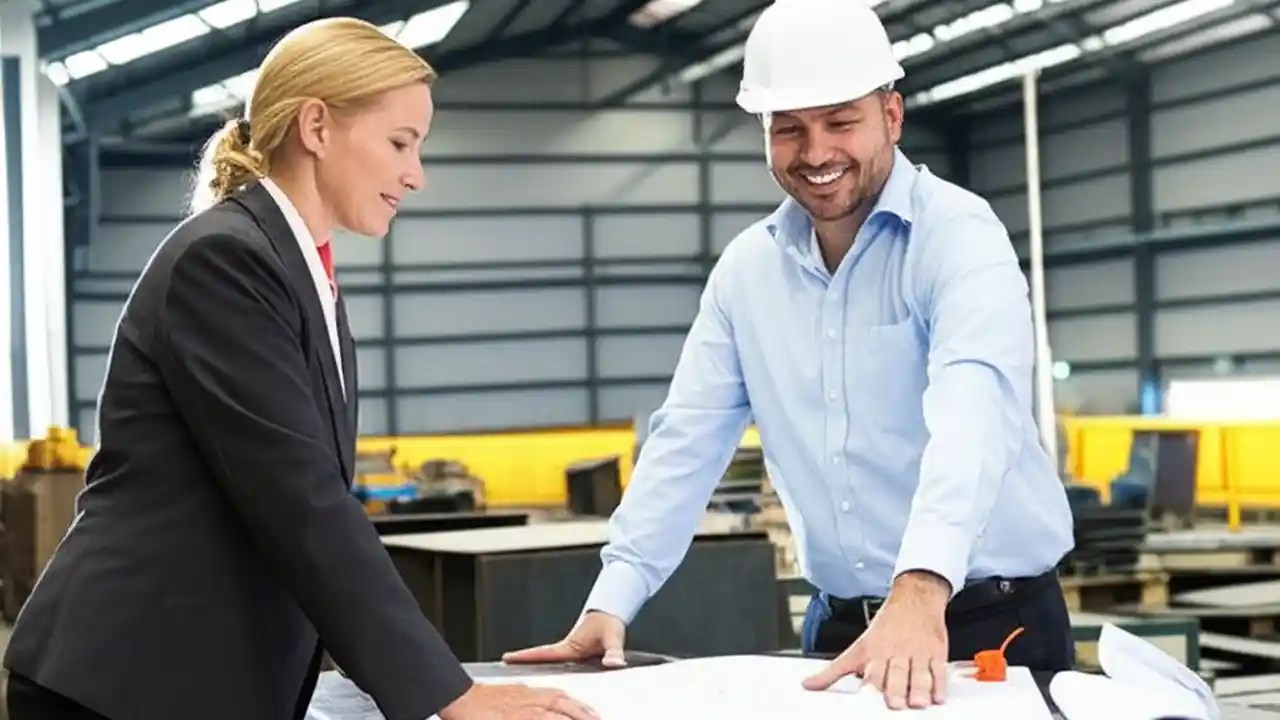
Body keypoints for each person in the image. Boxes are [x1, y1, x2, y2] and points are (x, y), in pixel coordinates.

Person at [2, 18, 596, 720]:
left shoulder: (297, 274)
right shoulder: (225, 261)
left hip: (196, 681)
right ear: (316, 126)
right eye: (400, 142)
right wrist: (450, 695)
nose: (416, 174)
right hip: (123, 682)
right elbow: (301, 499)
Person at [504, 0, 1076, 711]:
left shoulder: (958, 237)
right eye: (789, 129)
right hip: (837, 631)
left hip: (987, 625)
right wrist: (612, 599)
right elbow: (686, 440)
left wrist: (923, 585)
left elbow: (973, 419)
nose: (815, 153)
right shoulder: (747, 273)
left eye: (840, 122)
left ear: (892, 116)